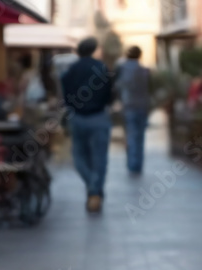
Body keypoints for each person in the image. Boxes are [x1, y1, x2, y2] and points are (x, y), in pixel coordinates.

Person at [61, 37, 114, 213]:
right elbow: (109, 93)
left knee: (79, 157)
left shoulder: (71, 70)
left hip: (77, 117)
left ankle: (92, 187)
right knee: (100, 158)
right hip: (98, 116)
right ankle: (94, 189)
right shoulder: (101, 68)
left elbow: (65, 93)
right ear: (93, 50)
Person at [115, 46, 151, 175]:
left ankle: (132, 164)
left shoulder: (121, 69)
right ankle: (137, 165)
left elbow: (117, 88)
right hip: (142, 106)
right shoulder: (145, 71)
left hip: (129, 106)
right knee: (140, 137)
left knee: (131, 135)